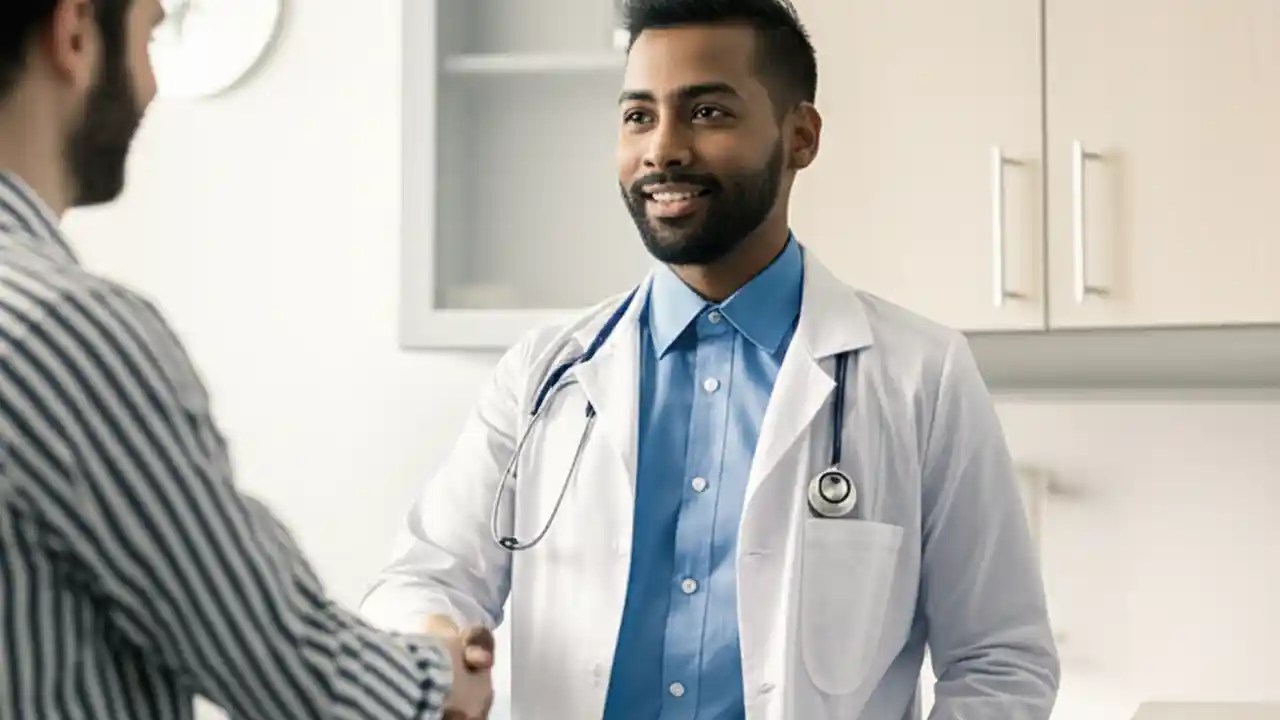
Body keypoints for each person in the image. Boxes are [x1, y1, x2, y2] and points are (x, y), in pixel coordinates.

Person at [361, 0, 1060, 717]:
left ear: (800, 137)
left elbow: (999, 659)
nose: (662, 149)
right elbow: (424, 578)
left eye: (707, 113)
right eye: (638, 116)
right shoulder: (546, 373)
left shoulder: (921, 376)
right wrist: (436, 638)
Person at [0, 1, 494, 718]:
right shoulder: (63, 331)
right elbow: (290, 672)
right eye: (151, 31)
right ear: (74, 34)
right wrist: (440, 677)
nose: (152, 82)